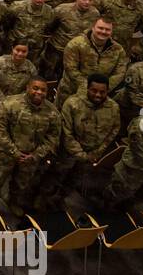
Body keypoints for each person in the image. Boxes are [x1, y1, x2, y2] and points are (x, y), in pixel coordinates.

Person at [0, 78, 61, 216]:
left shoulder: (52, 113)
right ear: (27, 88)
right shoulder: (10, 104)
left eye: (43, 90)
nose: (39, 92)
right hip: (5, 152)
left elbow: (53, 139)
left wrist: (35, 155)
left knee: (21, 182)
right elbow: (1, 132)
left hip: (30, 156)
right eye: (35, 88)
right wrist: (15, 152)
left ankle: (13, 201)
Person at [51, 74, 122, 206]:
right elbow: (66, 132)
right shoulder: (72, 104)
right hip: (68, 153)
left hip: (91, 155)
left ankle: (60, 199)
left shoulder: (113, 108)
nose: (98, 95)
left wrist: (96, 153)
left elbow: (114, 130)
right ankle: (44, 200)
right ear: (88, 89)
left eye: (102, 92)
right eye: (94, 90)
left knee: (74, 178)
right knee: (55, 176)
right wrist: (80, 154)